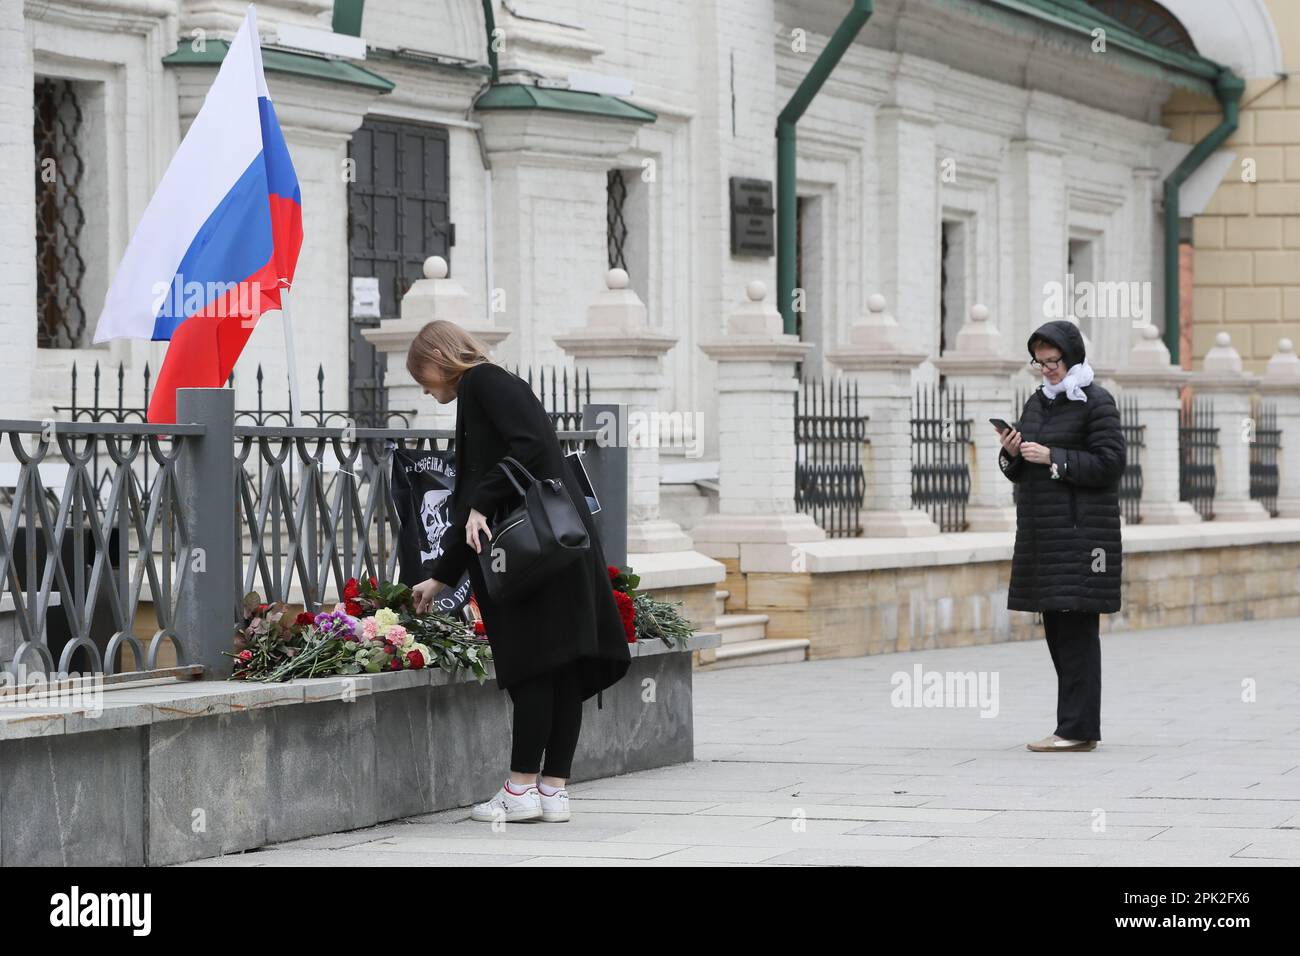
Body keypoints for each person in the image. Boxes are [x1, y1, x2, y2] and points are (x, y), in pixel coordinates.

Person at [406, 320, 631, 821]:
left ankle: (519, 789)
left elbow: (528, 444)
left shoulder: (484, 382)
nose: (422, 385)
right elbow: (482, 505)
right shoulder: (491, 386)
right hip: (556, 550)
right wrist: (443, 575)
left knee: (534, 668)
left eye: (421, 371)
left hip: (532, 560)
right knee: (563, 669)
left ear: (439, 358)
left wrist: (484, 499)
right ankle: (552, 792)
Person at [996, 320, 1125, 753]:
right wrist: (1013, 453)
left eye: (1055, 362)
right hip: (1043, 535)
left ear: (1072, 358)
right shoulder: (1038, 403)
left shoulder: (1095, 401)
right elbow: (1020, 468)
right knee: (1058, 633)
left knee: (1077, 635)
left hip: (1082, 537)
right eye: (1041, 362)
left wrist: (1054, 457)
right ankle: (1072, 726)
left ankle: (1076, 730)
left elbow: (1110, 464)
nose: (1048, 370)